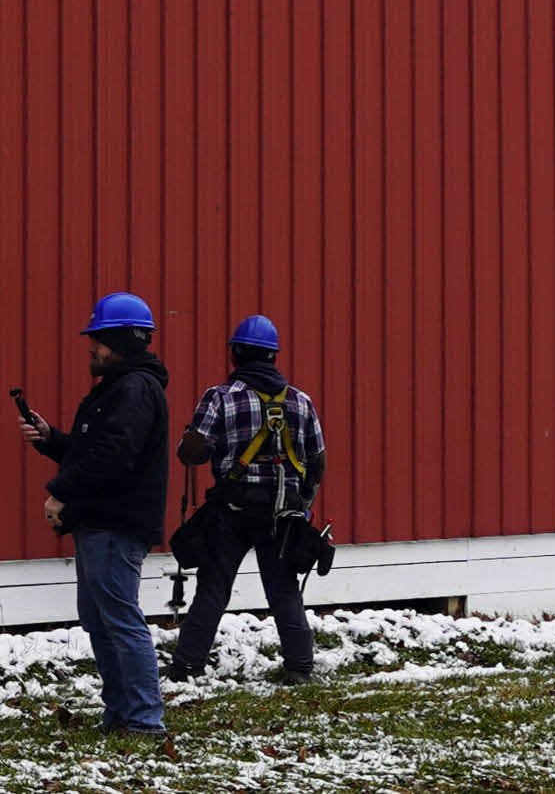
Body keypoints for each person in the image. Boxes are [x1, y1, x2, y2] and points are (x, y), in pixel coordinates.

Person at [21, 291, 177, 736]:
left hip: (114, 524)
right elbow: (95, 451)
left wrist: (58, 492)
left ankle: (145, 721)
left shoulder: (132, 389)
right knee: (101, 621)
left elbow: (114, 456)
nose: (93, 346)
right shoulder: (120, 389)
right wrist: (50, 438)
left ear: (125, 340)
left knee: (120, 621)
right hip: (101, 522)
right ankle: (122, 715)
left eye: (102, 338)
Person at [165, 314, 328, 683]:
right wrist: (301, 506)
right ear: (273, 356)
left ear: (236, 353)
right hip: (283, 513)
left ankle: (188, 665)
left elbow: (192, 454)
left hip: (233, 510)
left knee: (213, 587)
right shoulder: (302, 402)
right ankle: (300, 668)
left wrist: (193, 437)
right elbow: (317, 461)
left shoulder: (221, 397)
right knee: (284, 590)